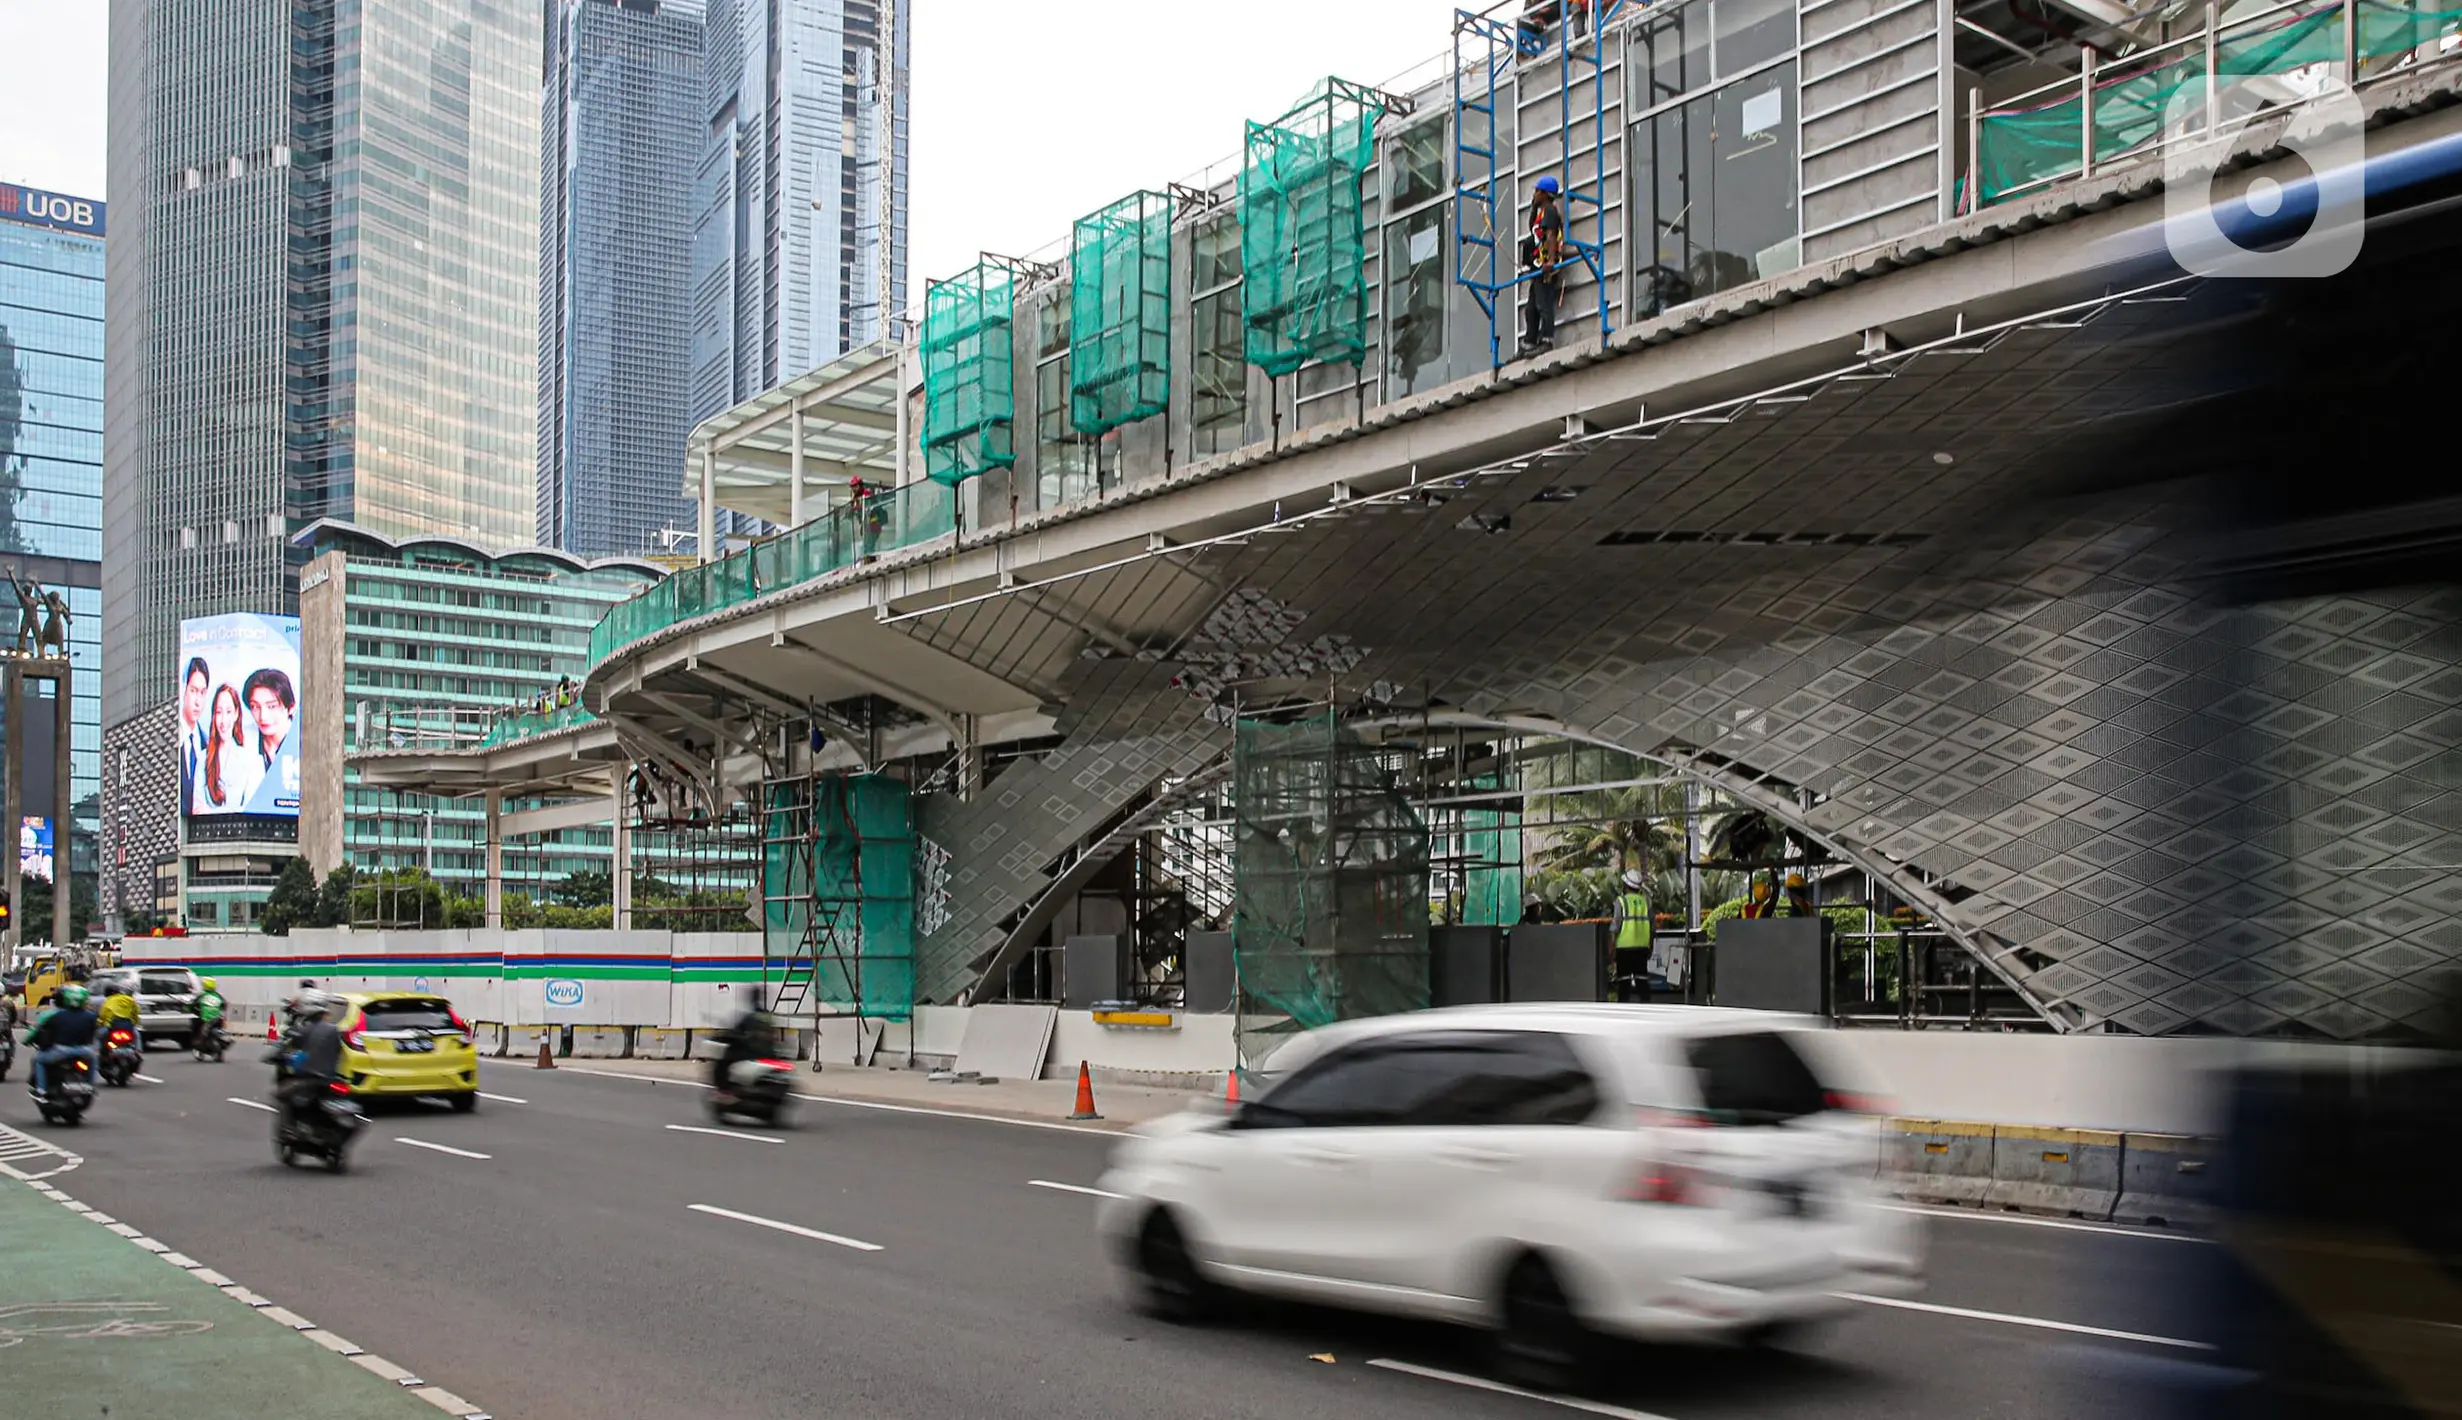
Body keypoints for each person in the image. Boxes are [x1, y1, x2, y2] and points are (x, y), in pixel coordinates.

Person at [274, 994, 346, 1129]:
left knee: (281, 1095)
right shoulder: (334, 1030)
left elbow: (293, 1048)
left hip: (309, 1078)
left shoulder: (305, 1030)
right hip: (330, 1078)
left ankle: (289, 1128)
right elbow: (339, 1052)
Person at [242, 667, 302, 816]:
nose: (263, 716)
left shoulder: (304, 743)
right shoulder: (243, 743)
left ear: (290, 708)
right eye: (255, 707)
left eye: (271, 706)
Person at [24, 983, 99, 1098]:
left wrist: (29, 1041)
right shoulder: (91, 1016)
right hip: (84, 1050)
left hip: (61, 1050)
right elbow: (94, 1033)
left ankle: (41, 1090)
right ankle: (90, 1085)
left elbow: (41, 1031)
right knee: (93, 1059)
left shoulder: (56, 1015)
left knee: (39, 1060)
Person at [1519, 176, 1566, 357]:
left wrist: (1551, 261)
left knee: (1543, 303)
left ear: (1545, 194)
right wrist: (1532, 206)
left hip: (1546, 266)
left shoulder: (1549, 212)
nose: (1535, 194)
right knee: (1531, 308)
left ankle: (1547, 339)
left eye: (1537, 191)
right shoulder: (1539, 212)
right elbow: (1534, 231)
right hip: (1538, 266)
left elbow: (1551, 235)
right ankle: (1529, 342)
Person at [201, 683, 262, 812]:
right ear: (214, 716)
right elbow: (196, 807)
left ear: (236, 714)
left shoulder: (251, 760)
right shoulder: (203, 758)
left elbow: (250, 809)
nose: (223, 720)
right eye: (219, 712)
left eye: (228, 712)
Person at [710, 990, 780, 1097]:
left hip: (752, 1055)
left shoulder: (748, 1017)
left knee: (724, 1060)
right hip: (770, 1055)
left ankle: (725, 1091)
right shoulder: (767, 1017)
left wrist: (722, 1036)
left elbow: (734, 1033)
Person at [177, 657, 212, 816]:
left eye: (202, 693)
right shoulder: (169, 739)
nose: (198, 701)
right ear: (183, 689)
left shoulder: (209, 744)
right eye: (193, 691)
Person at [96, 980, 143, 1063]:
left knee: (98, 1036)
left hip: (110, 1026)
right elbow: (135, 1013)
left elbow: (102, 1015)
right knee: (136, 1035)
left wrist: (99, 1024)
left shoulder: (108, 1001)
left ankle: (97, 1052)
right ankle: (138, 1051)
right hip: (128, 1026)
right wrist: (134, 1023)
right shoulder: (130, 1000)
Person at [193, 975, 228, 1045]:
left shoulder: (202, 995)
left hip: (206, 1019)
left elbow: (194, 1003)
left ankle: (198, 1040)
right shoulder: (218, 995)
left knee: (197, 1025)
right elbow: (224, 1005)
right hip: (218, 1018)